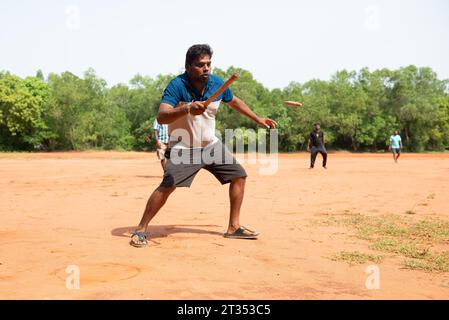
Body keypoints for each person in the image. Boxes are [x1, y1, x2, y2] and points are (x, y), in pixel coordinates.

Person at [130, 44, 277, 247]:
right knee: (167, 186)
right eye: (200, 65)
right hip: (184, 148)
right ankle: (140, 230)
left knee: (239, 175)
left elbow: (234, 101)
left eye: (208, 64)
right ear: (189, 66)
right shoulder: (177, 85)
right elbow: (162, 117)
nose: (206, 68)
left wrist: (257, 118)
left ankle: (234, 227)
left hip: (210, 146)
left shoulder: (216, 83)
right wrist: (188, 108)